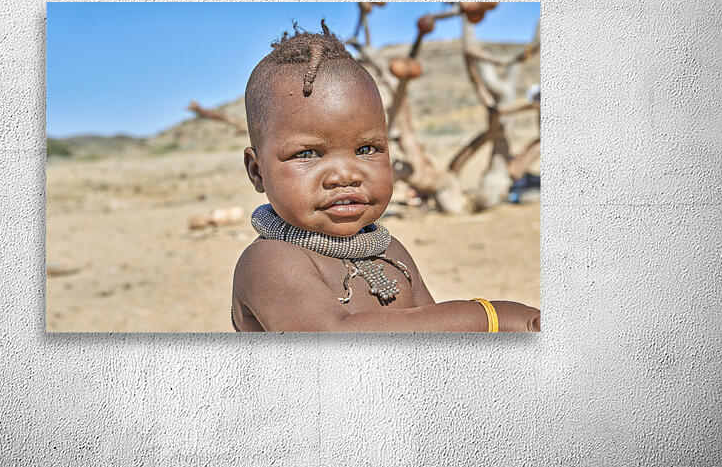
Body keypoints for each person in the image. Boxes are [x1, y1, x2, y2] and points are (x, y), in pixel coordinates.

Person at [230, 21, 541, 333]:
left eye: (366, 148)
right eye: (307, 154)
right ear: (257, 172)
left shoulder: (390, 250)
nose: (345, 175)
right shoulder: (270, 262)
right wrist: (490, 317)